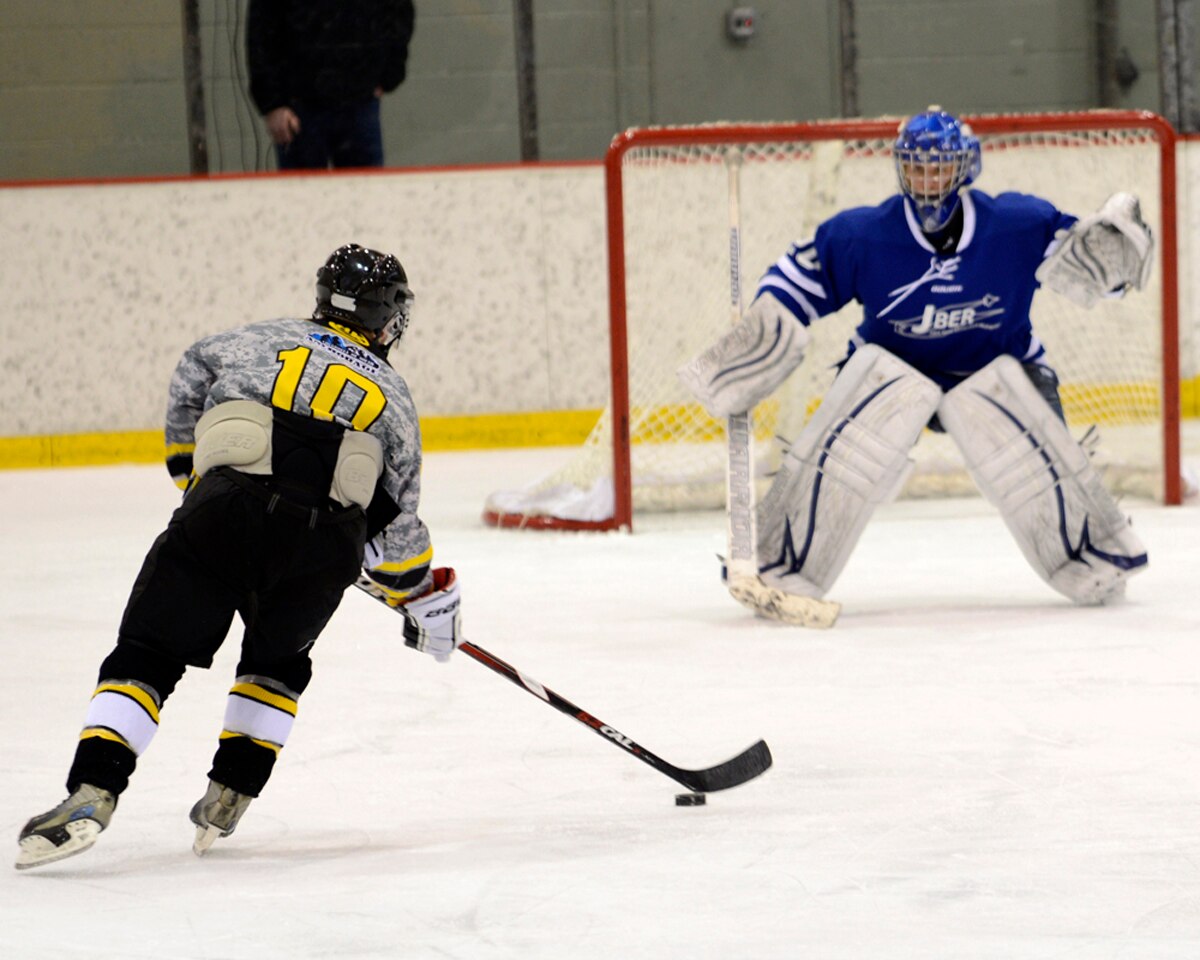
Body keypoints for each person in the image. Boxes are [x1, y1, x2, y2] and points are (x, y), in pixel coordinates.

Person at [16, 244, 462, 870]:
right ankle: (230, 795)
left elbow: (192, 370)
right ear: (384, 314)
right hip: (323, 544)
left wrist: (188, 470)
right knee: (276, 665)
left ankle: (94, 790)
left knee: (148, 653)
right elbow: (399, 520)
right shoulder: (395, 396)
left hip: (224, 510)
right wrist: (418, 592)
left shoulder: (259, 340)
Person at [678, 106, 1155, 610]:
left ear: (965, 168)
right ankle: (780, 560)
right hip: (893, 372)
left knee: (1044, 461)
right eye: (916, 167)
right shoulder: (862, 235)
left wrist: (1113, 259)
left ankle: (1093, 552)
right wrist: (764, 325)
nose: (927, 180)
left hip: (1001, 372)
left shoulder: (1017, 224)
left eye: (940, 167)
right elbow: (797, 277)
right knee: (841, 448)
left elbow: (1085, 264)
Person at [247, 1, 416, 170]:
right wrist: (272, 103)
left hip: (359, 101)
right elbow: (261, 30)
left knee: (365, 191)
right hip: (298, 106)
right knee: (300, 193)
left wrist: (389, 74)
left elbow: (399, 11)